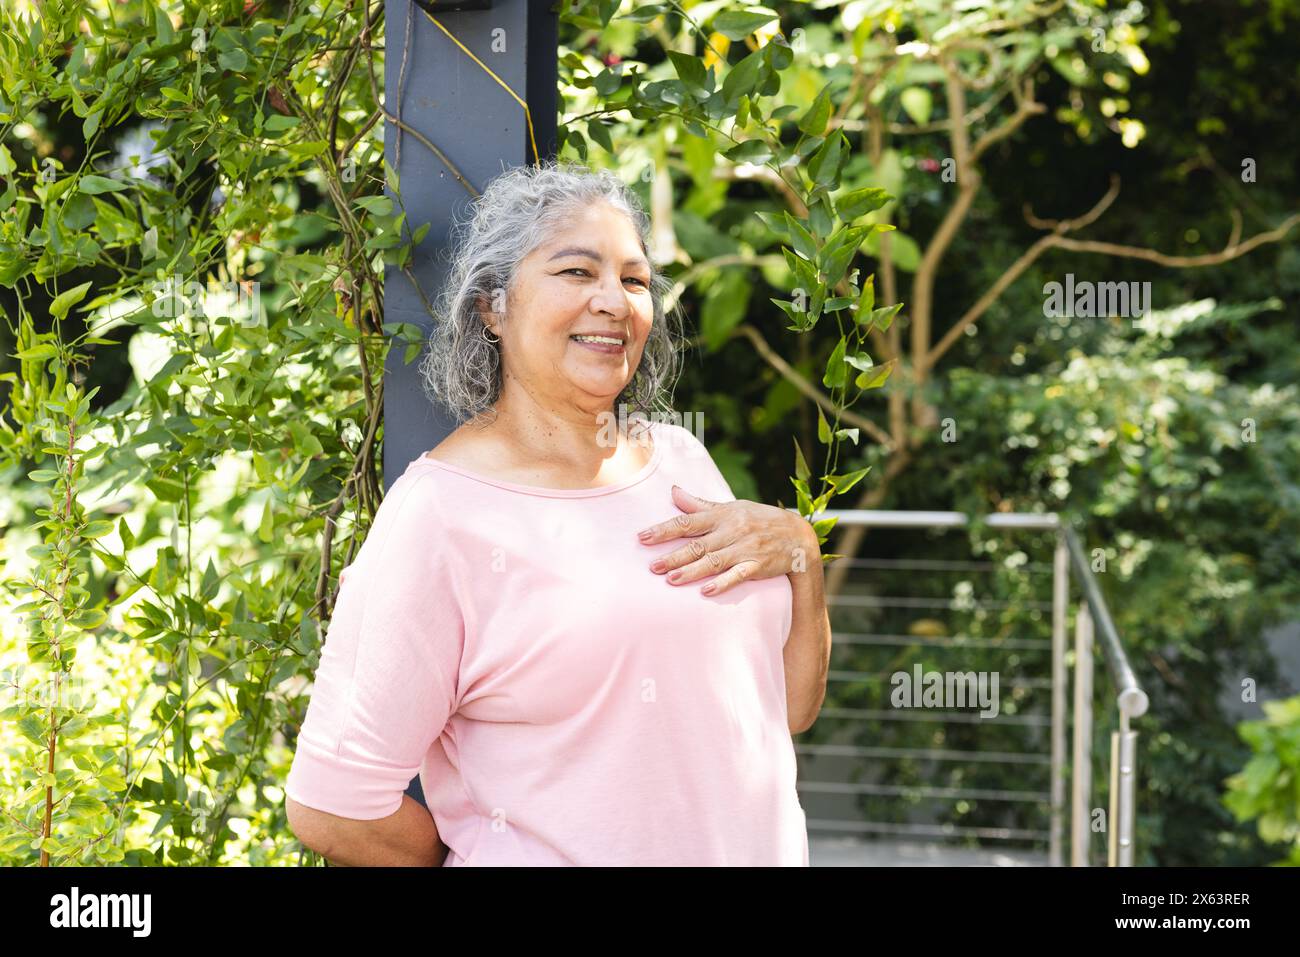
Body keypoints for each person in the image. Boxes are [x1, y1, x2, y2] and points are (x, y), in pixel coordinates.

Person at [284, 160, 831, 866]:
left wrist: (801, 552)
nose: (614, 300)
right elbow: (333, 805)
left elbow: (783, 712)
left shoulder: (682, 459)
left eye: (634, 281)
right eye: (576, 272)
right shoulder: (442, 514)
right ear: (493, 305)